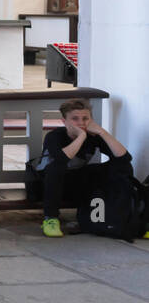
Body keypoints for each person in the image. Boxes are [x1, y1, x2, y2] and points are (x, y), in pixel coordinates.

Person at [33, 99, 131, 238]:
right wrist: (81, 136)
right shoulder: (54, 136)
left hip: (76, 184)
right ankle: (51, 219)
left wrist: (102, 132)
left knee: (121, 166)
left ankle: (127, 212)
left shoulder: (94, 137)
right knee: (56, 168)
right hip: (47, 186)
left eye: (85, 118)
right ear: (64, 121)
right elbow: (62, 159)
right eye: (75, 119)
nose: (81, 123)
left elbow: (124, 158)